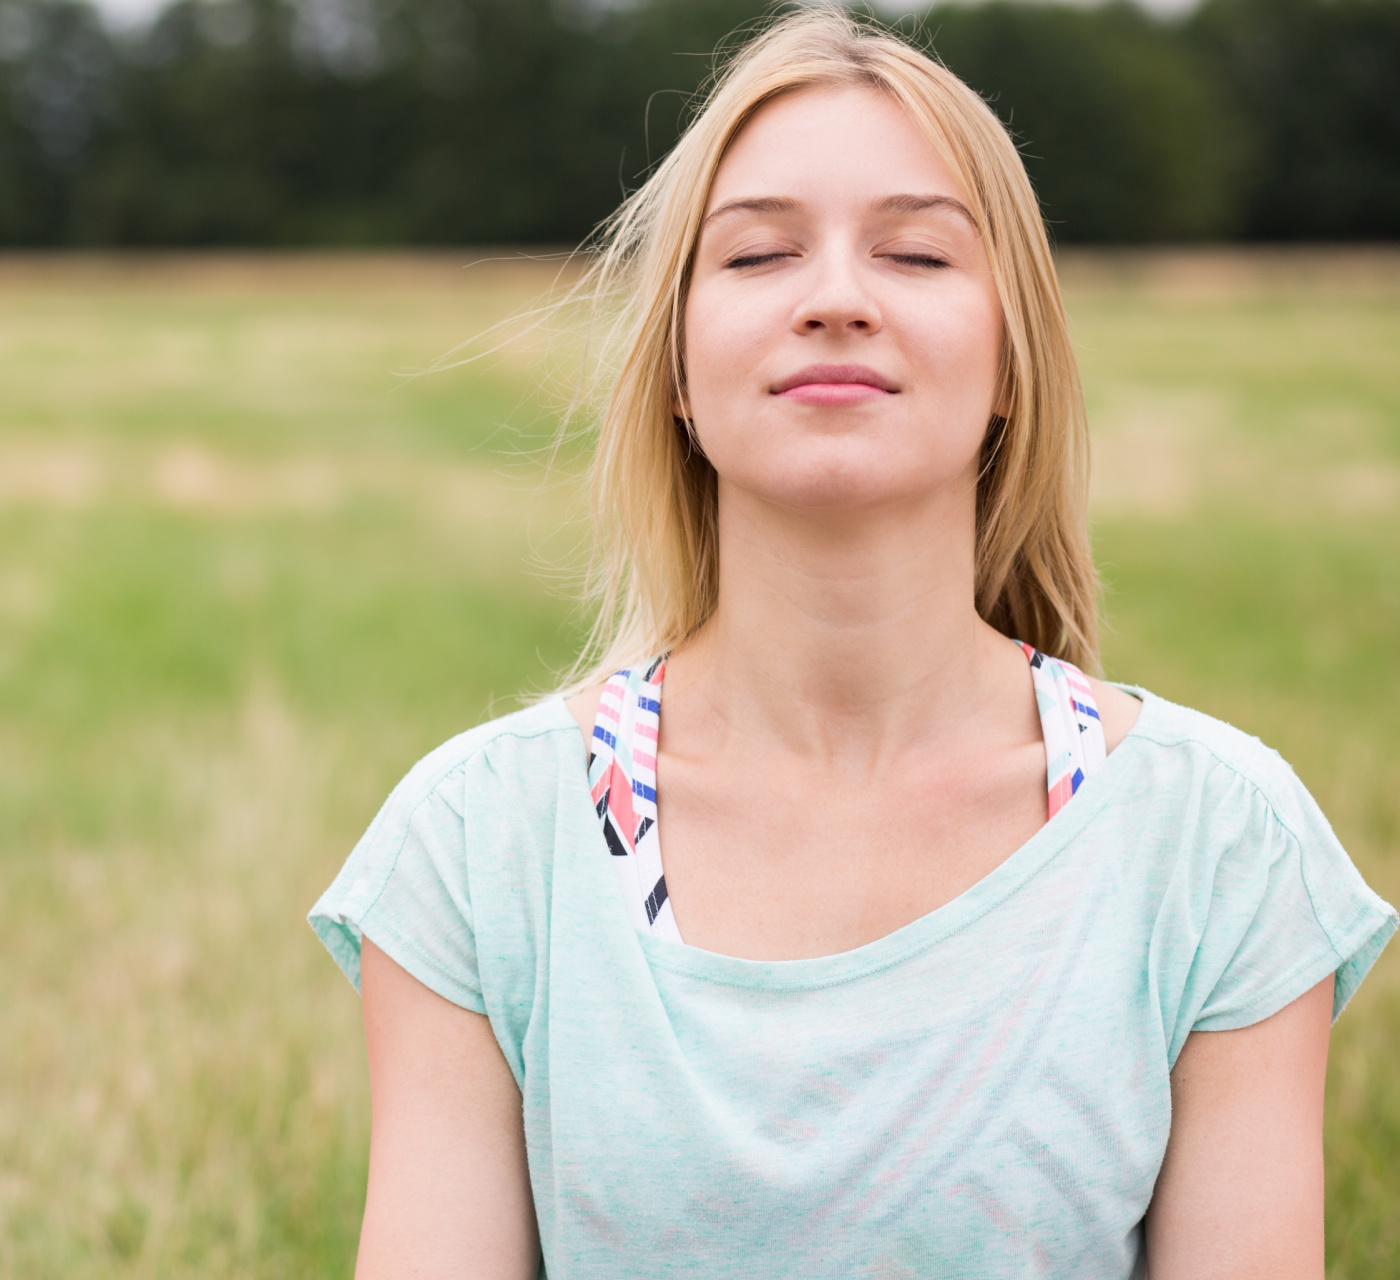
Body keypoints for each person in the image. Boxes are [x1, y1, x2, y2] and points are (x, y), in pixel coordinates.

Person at [308, 9, 1395, 1277]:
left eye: (919, 255)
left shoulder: (1221, 848)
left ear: (1012, 361)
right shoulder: (476, 847)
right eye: (760, 255)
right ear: (674, 361)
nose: (835, 299)